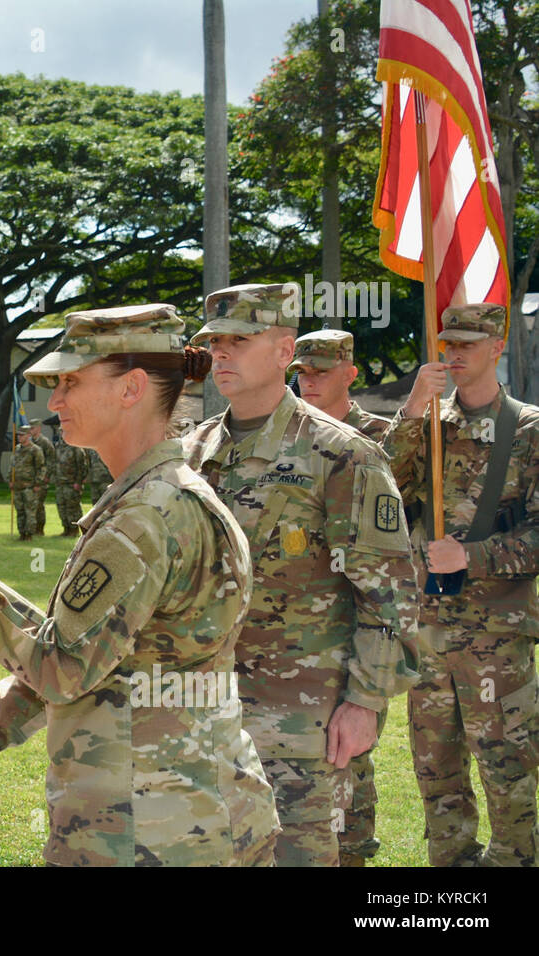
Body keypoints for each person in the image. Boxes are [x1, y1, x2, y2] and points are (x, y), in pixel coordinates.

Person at [0, 305, 280, 866]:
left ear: (131, 387)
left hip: (150, 831)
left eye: (70, 382)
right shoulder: (161, 495)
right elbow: (94, 652)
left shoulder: (145, 517)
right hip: (184, 812)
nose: (56, 400)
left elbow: (62, 665)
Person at [182, 283, 420, 866]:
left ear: (285, 349)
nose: (222, 354)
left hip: (304, 719)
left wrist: (365, 701)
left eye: (240, 340)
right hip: (202, 709)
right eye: (215, 342)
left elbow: (390, 593)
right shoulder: (193, 451)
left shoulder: (341, 454)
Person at [383, 303, 539, 867]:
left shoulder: (528, 429)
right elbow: (382, 492)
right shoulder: (426, 425)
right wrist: (411, 410)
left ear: (497, 347)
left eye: (469, 343)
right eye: (449, 342)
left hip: (495, 635)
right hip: (428, 630)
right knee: (435, 769)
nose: (455, 353)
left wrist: (469, 556)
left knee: (506, 769)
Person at [288, 327, 392, 866]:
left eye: (320, 372)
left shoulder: (375, 438)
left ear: (351, 374)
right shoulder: (288, 437)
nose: (308, 381)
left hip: (354, 630)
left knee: (348, 775)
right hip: (291, 641)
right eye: (302, 371)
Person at [9, 425, 43, 541]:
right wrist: (10, 480)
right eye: (18, 435)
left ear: (28, 435)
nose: (19, 437)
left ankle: (29, 534)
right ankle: (21, 533)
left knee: (30, 511)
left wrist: (38, 483)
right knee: (20, 510)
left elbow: (41, 468)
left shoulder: (35, 450)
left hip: (30, 486)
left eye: (22, 435)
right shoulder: (16, 449)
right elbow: (12, 466)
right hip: (17, 485)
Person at [52, 427, 88, 535]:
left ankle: (74, 529)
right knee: (61, 506)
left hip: (71, 483)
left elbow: (82, 466)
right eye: (61, 432)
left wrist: (78, 482)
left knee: (73, 507)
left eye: (64, 431)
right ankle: (66, 528)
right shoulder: (58, 447)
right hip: (60, 483)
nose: (62, 434)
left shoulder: (76, 447)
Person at [29, 419, 55, 535]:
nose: (30, 430)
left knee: (39, 505)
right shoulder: (29, 442)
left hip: (41, 478)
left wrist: (46, 476)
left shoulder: (45, 442)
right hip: (30, 478)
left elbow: (51, 460)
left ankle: (40, 529)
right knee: (30, 504)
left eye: (32, 428)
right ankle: (31, 528)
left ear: (38, 428)